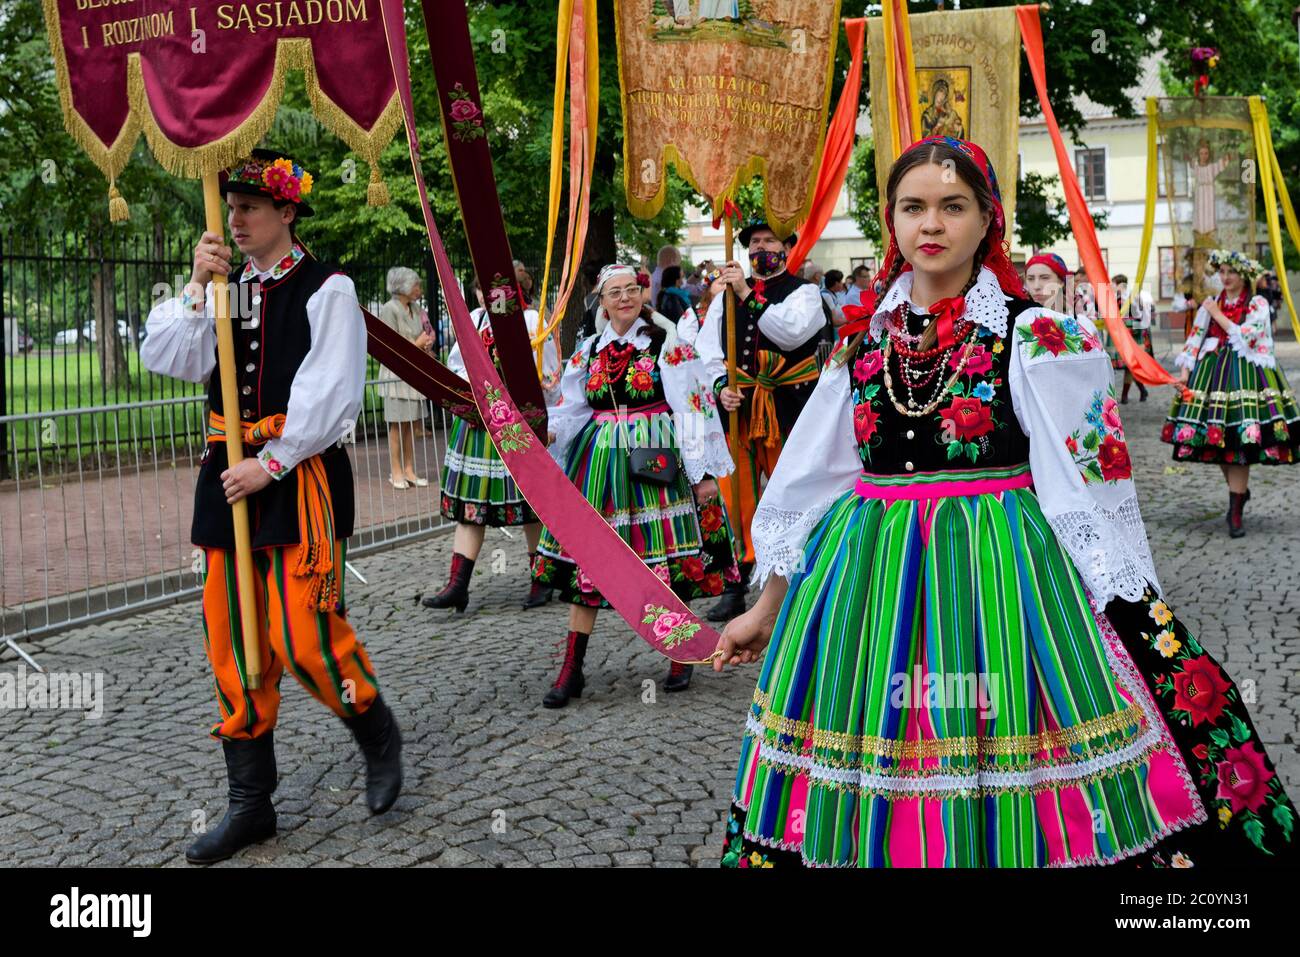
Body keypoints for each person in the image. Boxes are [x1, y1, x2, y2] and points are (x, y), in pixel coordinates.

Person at [712, 136, 1297, 868]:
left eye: (952, 206)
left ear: (988, 220)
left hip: (1001, 576)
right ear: (891, 222)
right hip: (864, 589)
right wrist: (765, 610)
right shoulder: (860, 345)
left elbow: (1090, 487)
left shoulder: (1038, 335)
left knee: (1006, 745)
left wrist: (1133, 606)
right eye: (913, 207)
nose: (932, 224)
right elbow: (809, 485)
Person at [140, 149, 403, 864]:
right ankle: (251, 804)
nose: (236, 218)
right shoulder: (224, 287)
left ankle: (374, 728)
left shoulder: (329, 289)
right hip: (227, 473)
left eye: (251, 206)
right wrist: (198, 284)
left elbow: (336, 392)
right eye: (232, 207)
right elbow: (169, 355)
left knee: (301, 636)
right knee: (231, 638)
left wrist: (273, 462)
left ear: (287, 212)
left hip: (297, 473)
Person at [530, 264, 740, 705]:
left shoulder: (667, 345)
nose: (625, 298)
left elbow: (693, 410)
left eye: (632, 290)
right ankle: (572, 668)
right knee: (590, 557)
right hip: (599, 464)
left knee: (662, 555)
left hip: (654, 458)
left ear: (643, 296)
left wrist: (701, 476)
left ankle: (680, 649)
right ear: (602, 302)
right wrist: (546, 432)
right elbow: (571, 408)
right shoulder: (586, 350)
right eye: (615, 292)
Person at [696, 216, 828, 622]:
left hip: (789, 409)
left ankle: (799, 580)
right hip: (740, 409)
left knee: (792, 493)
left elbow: (790, 332)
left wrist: (745, 292)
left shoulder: (805, 293)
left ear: (786, 248)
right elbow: (706, 348)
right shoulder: (724, 299)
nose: (760, 249)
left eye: (770, 241)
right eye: (754, 242)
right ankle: (736, 582)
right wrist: (721, 384)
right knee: (736, 498)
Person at [422, 278, 560, 612]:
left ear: (514, 291)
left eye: (495, 290)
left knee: (532, 505)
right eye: (482, 290)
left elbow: (551, 378)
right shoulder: (477, 319)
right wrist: (474, 388)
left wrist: (545, 412)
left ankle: (541, 580)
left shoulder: (531, 321)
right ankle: (458, 584)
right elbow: (458, 363)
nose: (488, 297)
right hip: (479, 424)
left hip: (517, 423)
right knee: (471, 505)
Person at [1163, 249, 1300, 537]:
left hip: (1247, 375)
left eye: (1231, 272)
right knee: (1216, 441)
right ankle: (1238, 493)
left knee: (1239, 442)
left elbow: (1247, 336)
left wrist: (1216, 314)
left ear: (1244, 275)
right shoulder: (1212, 304)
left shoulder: (1257, 303)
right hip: (1211, 375)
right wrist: (1185, 373)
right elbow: (1195, 338)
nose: (1225, 277)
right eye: (1222, 272)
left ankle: (1234, 510)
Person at [377, 267, 433, 488]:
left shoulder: (416, 308)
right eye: (416, 285)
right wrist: (417, 344)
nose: (419, 289)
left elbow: (423, 333)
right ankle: (396, 471)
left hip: (412, 374)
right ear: (403, 287)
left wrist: (426, 343)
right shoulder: (389, 309)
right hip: (396, 375)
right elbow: (389, 344)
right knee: (396, 425)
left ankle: (409, 470)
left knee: (411, 424)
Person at [1108, 274, 1155, 404]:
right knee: (1128, 364)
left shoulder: (1132, 296)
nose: (1112, 286)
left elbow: (1142, 313)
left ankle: (1125, 395)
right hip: (1121, 333)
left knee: (1130, 364)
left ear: (1120, 284)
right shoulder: (1115, 297)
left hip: (1133, 333)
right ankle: (1141, 390)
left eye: (1114, 284)